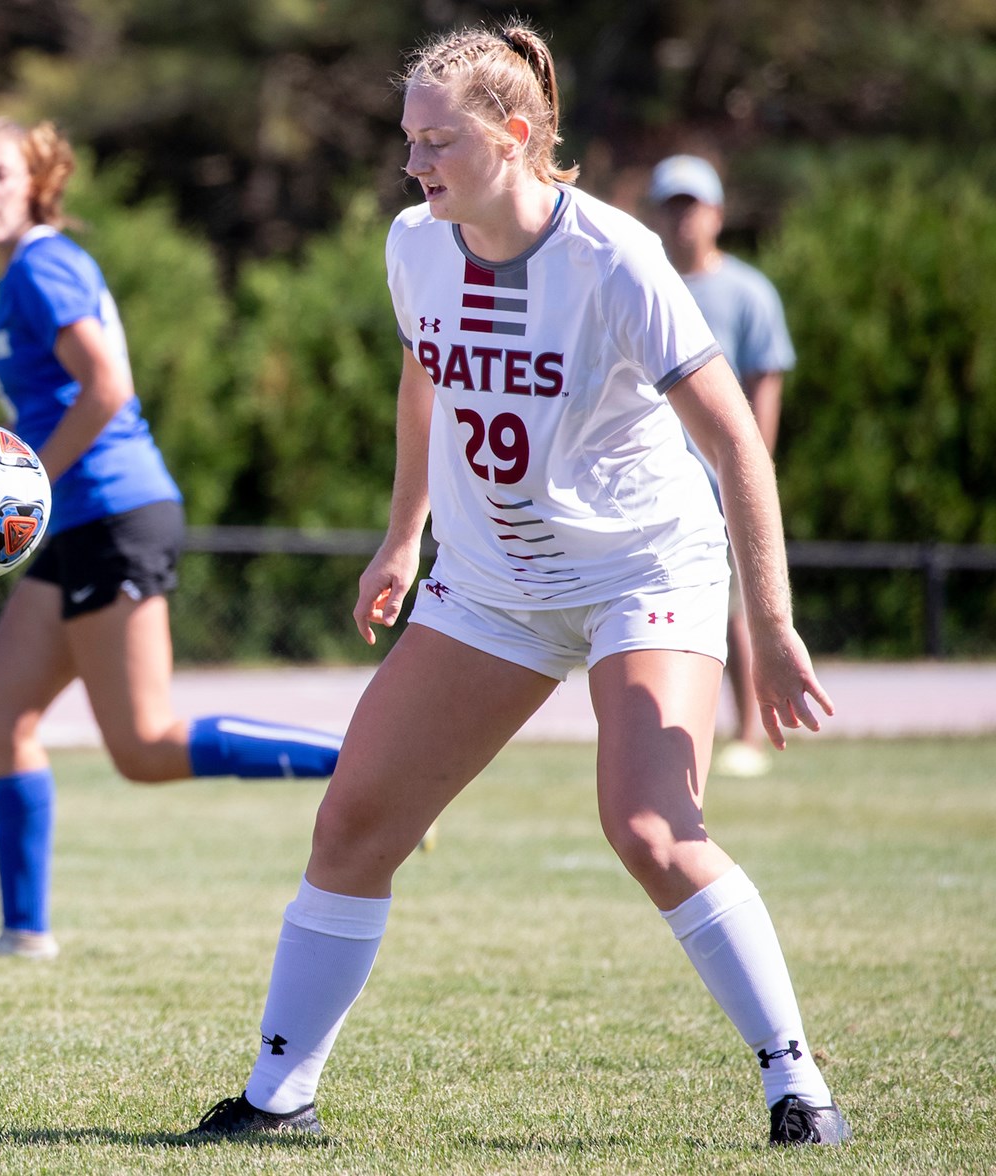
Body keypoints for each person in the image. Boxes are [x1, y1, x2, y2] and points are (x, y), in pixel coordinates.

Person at [182, 21, 849, 1147]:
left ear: (518, 136)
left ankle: (801, 1089)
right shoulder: (415, 242)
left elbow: (738, 443)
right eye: (409, 141)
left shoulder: (618, 259)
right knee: (354, 822)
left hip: (644, 569)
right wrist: (405, 535)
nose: (413, 164)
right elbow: (423, 376)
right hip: (490, 583)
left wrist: (770, 626)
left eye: (438, 141)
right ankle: (275, 1102)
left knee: (649, 826)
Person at [0, 118, 344, 961]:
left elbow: (106, 388)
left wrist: (23, 483)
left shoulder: (41, 264)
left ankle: (358, 769)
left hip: (111, 511)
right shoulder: (30, 269)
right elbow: (56, 409)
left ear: (35, 183)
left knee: (145, 745)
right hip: (77, 515)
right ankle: (25, 932)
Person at [646, 154, 798, 779]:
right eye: (673, 207)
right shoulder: (645, 279)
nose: (684, 221)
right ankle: (687, 737)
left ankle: (753, 735)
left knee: (737, 610)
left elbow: (764, 385)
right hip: (650, 485)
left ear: (717, 213)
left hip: (718, 482)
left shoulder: (747, 292)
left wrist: (747, 469)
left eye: (695, 206)